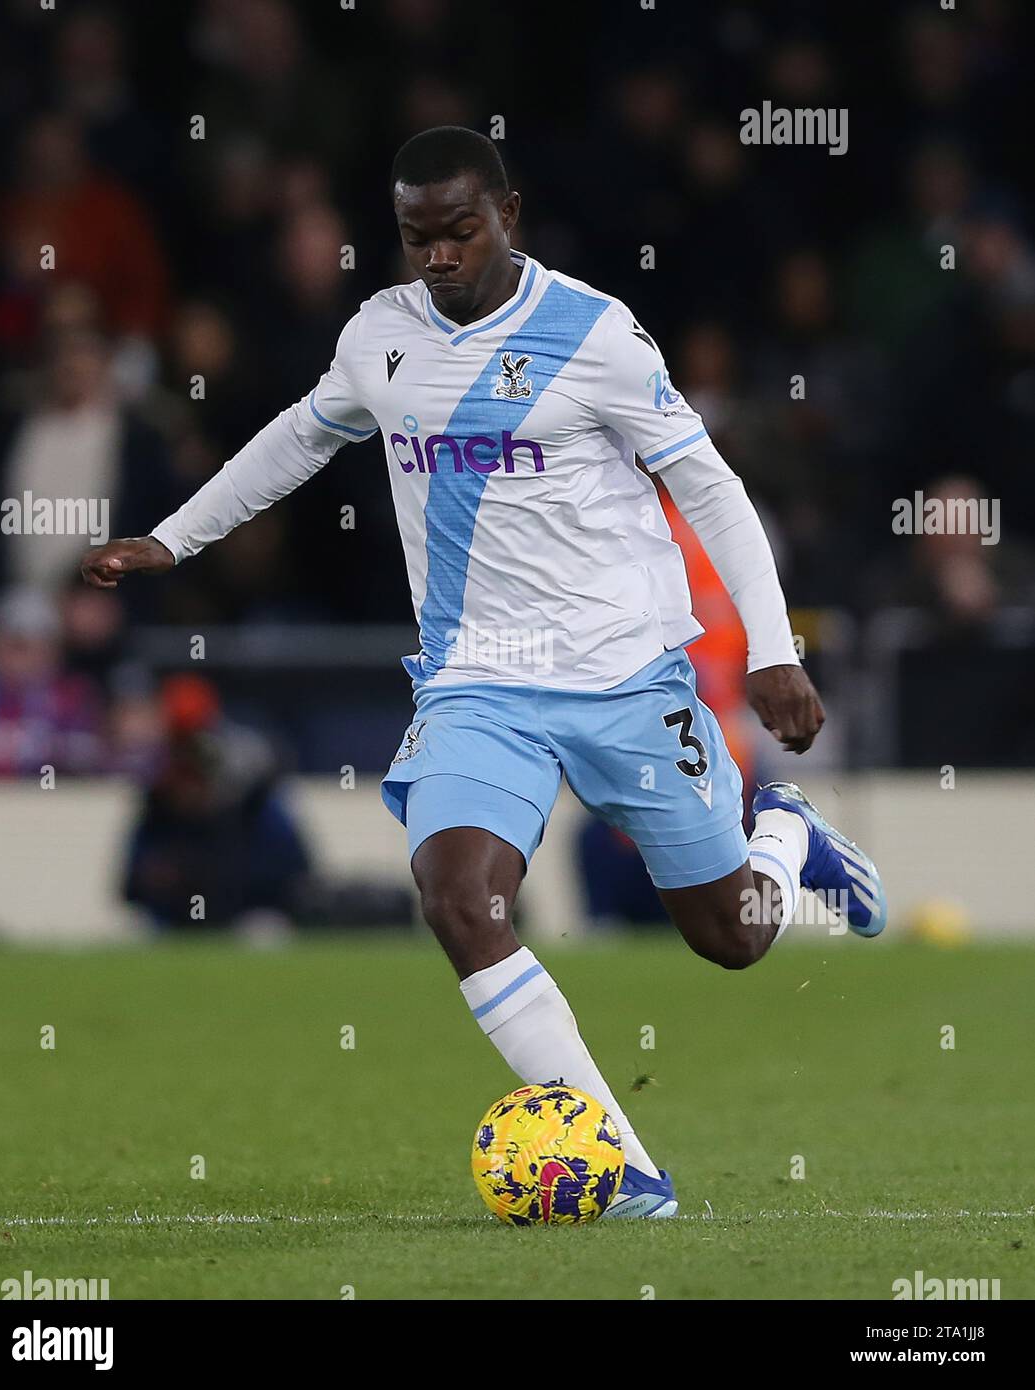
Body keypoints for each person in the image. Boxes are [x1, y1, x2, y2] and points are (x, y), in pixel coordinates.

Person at [82, 126, 886, 1219]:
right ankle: (621, 1163)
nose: (440, 256)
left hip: (625, 677)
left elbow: (711, 490)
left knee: (733, 936)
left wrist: (772, 648)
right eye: (417, 236)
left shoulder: (595, 334)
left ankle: (784, 833)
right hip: (475, 684)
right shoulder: (380, 336)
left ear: (508, 209)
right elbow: (297, 438)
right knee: (458, 900)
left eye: (461, 229)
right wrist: (171, 540)